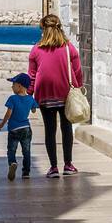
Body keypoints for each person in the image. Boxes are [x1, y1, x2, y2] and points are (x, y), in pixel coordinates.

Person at [27, 13, 84, 178]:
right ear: (59, 28)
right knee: (66, 129)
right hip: (65, 94)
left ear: (43, 29)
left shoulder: (36, 49)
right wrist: (78, 87)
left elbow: (32, 75)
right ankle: (68, 164)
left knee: (50, 131)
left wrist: (29, 95)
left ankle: (53, 167)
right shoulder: (68, 47)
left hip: (44, 95)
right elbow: (77, 70)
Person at [0, 73, 37, 180]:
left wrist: (2, 123)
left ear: (19, 86)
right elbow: (33, 110)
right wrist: (31, 105)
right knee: (26, 151)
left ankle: (12, 163)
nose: (12, 86)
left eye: (13, 84)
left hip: (14, 129)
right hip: (26, 129)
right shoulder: (30, 99)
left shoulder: (12, 99)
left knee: (11, 150)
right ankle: (26, 172)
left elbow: (8, 113)